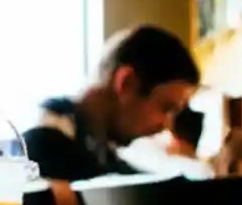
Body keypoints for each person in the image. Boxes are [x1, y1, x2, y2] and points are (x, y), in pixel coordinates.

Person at [22, 25, 201, 182]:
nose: (165, 126)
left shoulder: (94, 147)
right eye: (166, 108)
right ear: (126, 83)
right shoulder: (42, 144)